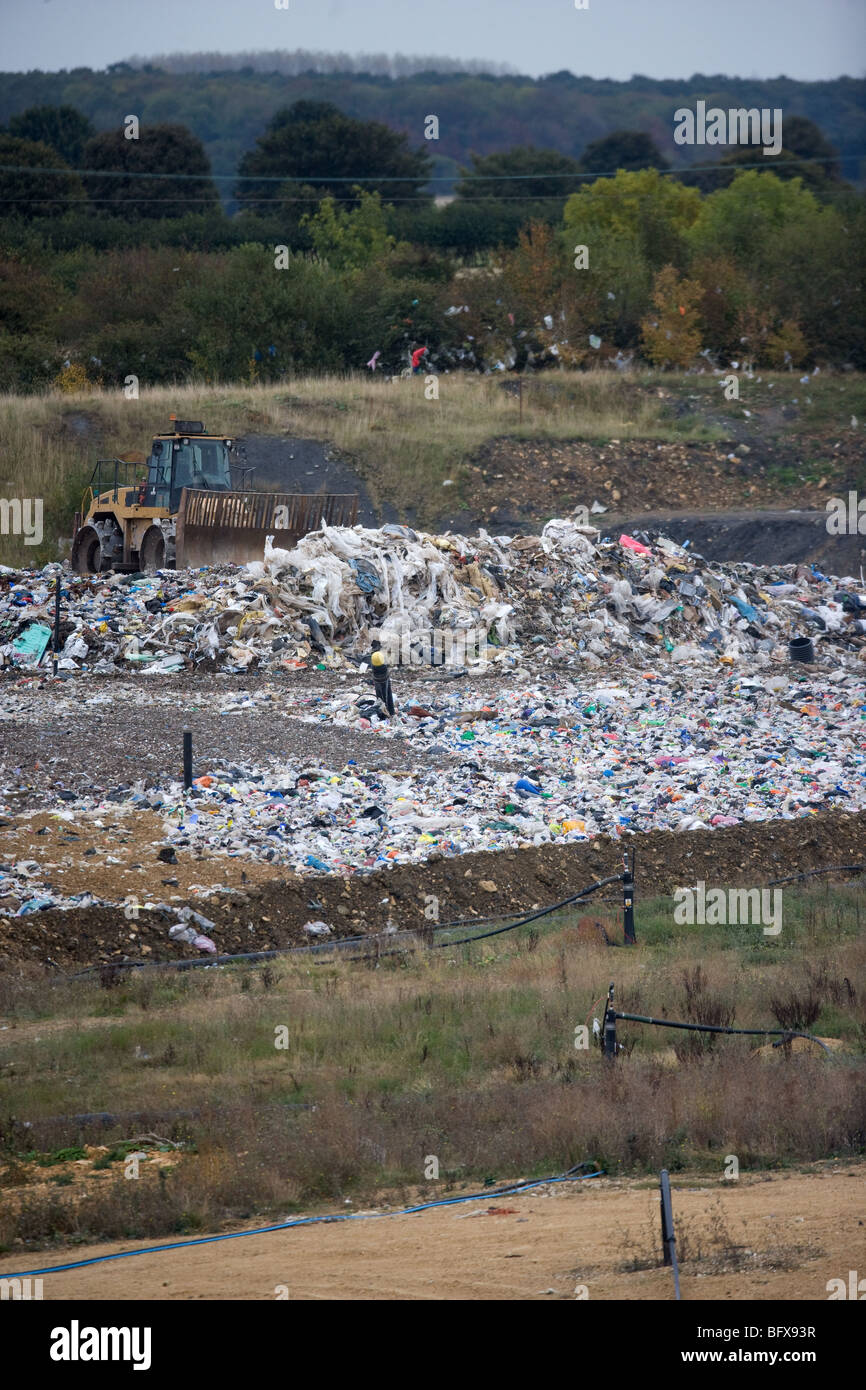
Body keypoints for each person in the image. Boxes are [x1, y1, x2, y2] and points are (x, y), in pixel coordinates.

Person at [370, 643, 395, 716]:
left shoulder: (373, 660)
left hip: (377, 680)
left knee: (380, 697)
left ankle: (383, 713)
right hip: (385, 678)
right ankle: (390, 712)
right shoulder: (381, 659)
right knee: (388, 695)